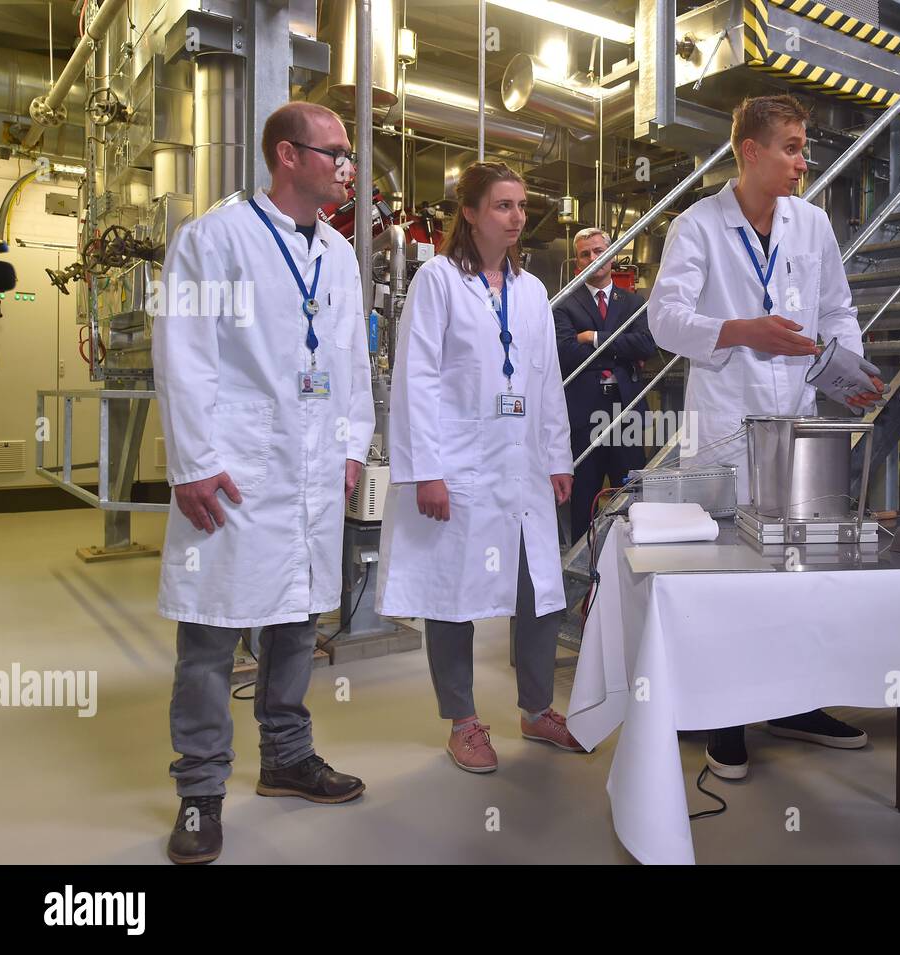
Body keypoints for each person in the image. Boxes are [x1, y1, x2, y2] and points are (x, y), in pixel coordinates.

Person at [153, 101, 375, 864]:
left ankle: (286, 756)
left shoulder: (340, 254)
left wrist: (353, 445)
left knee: (293, 620)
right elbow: (183, 353)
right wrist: (192, 462)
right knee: (212, 632)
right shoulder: (214, 239)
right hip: (237, 464)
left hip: (313, 463)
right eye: (336, 152)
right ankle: (200, 790)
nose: (348, 166)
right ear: (287, 155)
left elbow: (350, 360)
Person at [649, 94, 884, 780]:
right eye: (789, 146)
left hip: (801, 426)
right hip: (725, 423)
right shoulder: (696, 226)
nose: (801, 160)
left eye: (803, 146)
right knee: (729, 576)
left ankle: (798, 700)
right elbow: (665, 319)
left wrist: (847, 373)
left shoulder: (811, 225)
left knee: (801, 574)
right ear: (749, 151)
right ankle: (725, 715)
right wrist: (740, 331)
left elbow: (837, 308)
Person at [375, 161, 582, 774]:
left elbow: (546, 381)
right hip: (461, 466)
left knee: (541, 589)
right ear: (469, 213)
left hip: (522, 465)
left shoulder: (533, 291)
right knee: (452, 595)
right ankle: (463, 721)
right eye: (503, 206)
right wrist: (426, 471)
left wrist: (559, 456)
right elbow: (416, 379)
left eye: (521, 206)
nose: (517, 217)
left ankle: (537, 709)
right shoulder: (438, 281)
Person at [554, 226, 656, 541]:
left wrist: (592, 338)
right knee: (583, 498)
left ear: (612, 256)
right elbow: (565, 352)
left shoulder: (633, 302)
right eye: (585, 254)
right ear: (576, 264)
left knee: (631, 501)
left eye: (599, 251)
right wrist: (619, 350)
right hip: (583, 418)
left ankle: (625, 573)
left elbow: (647, 346)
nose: (593, 258)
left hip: (625, 413)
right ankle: (582, 576)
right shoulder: (563, 305)